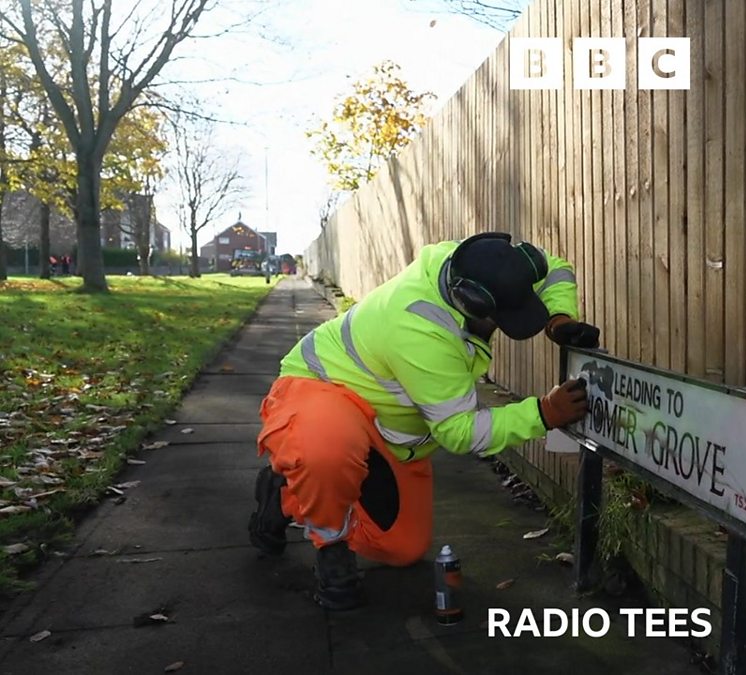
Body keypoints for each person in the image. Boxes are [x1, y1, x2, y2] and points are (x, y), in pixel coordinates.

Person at [248, 232, 600, 609]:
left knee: (402, 549)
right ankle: (325, 539)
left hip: (387, 432)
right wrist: (543, 413)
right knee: (326, 455)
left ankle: (310, 489)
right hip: (322, 389)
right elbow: (459, 432)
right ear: (473, 304)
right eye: (503, 318)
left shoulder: (474, 263)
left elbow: (556, 270)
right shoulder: (420, 331)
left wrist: (560, 318)